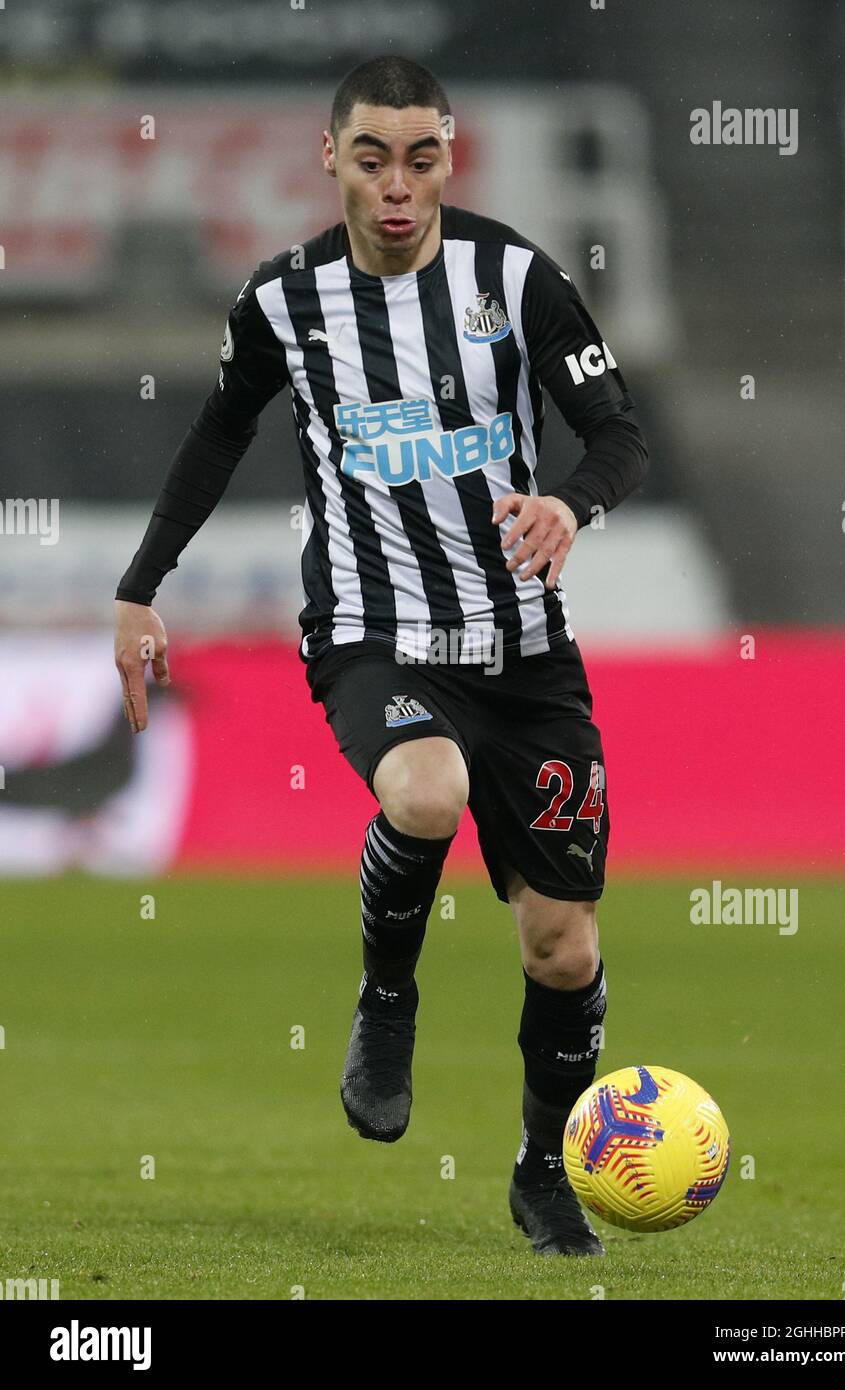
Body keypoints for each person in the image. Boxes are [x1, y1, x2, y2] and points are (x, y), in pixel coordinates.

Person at [114, 55, 649, 1257]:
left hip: (521, 651)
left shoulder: (515, 278)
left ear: (449, 156)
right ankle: (387, 1002)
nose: (398, 186)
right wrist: (139, 589)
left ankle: (540, 1172)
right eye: (372, 158)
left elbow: (618, 432)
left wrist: (570, 503)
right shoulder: (282, 303)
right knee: (425, 789)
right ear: (331, 158)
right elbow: (215, 434)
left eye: (422, 158)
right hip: (371, 630)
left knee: (564, 944)